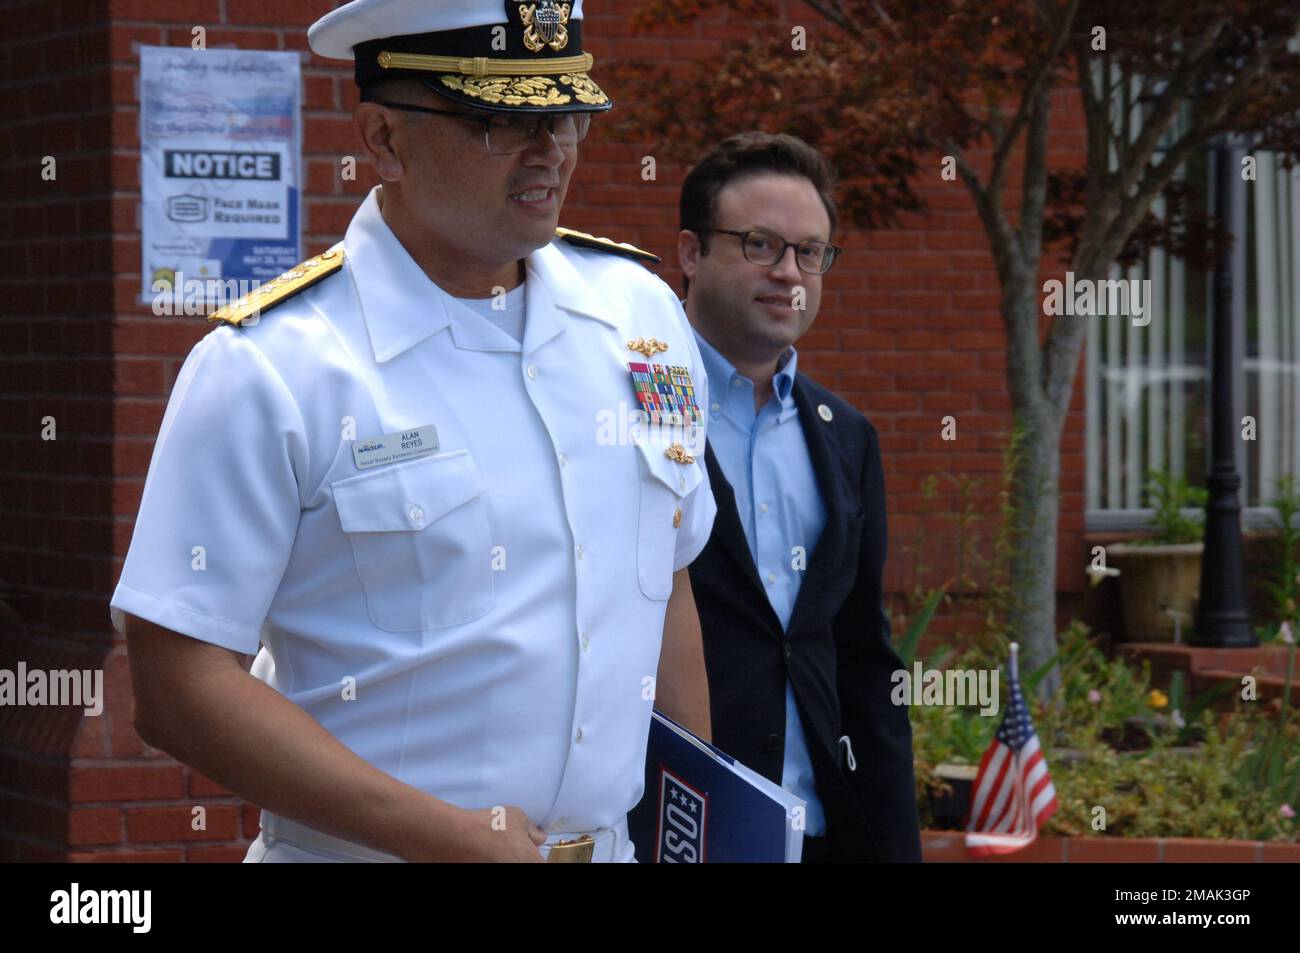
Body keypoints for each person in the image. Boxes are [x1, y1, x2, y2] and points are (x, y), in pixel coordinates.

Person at [110, 0, 717, 864]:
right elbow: (176, 682)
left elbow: (671, 581)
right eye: (498, 120)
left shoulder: (640, 317)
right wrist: (442, 837)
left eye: (565, 112)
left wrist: (695, 830)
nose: (549, 148)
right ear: (383, 139)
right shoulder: (273, 366)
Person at [676, 132, 922, 862]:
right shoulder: (627, 408)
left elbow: (862, 658)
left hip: (817, 833)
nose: (790, 273)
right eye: (761, 244)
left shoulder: (845, 436)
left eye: (810, 252)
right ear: (690, 253)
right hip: (673, 827)